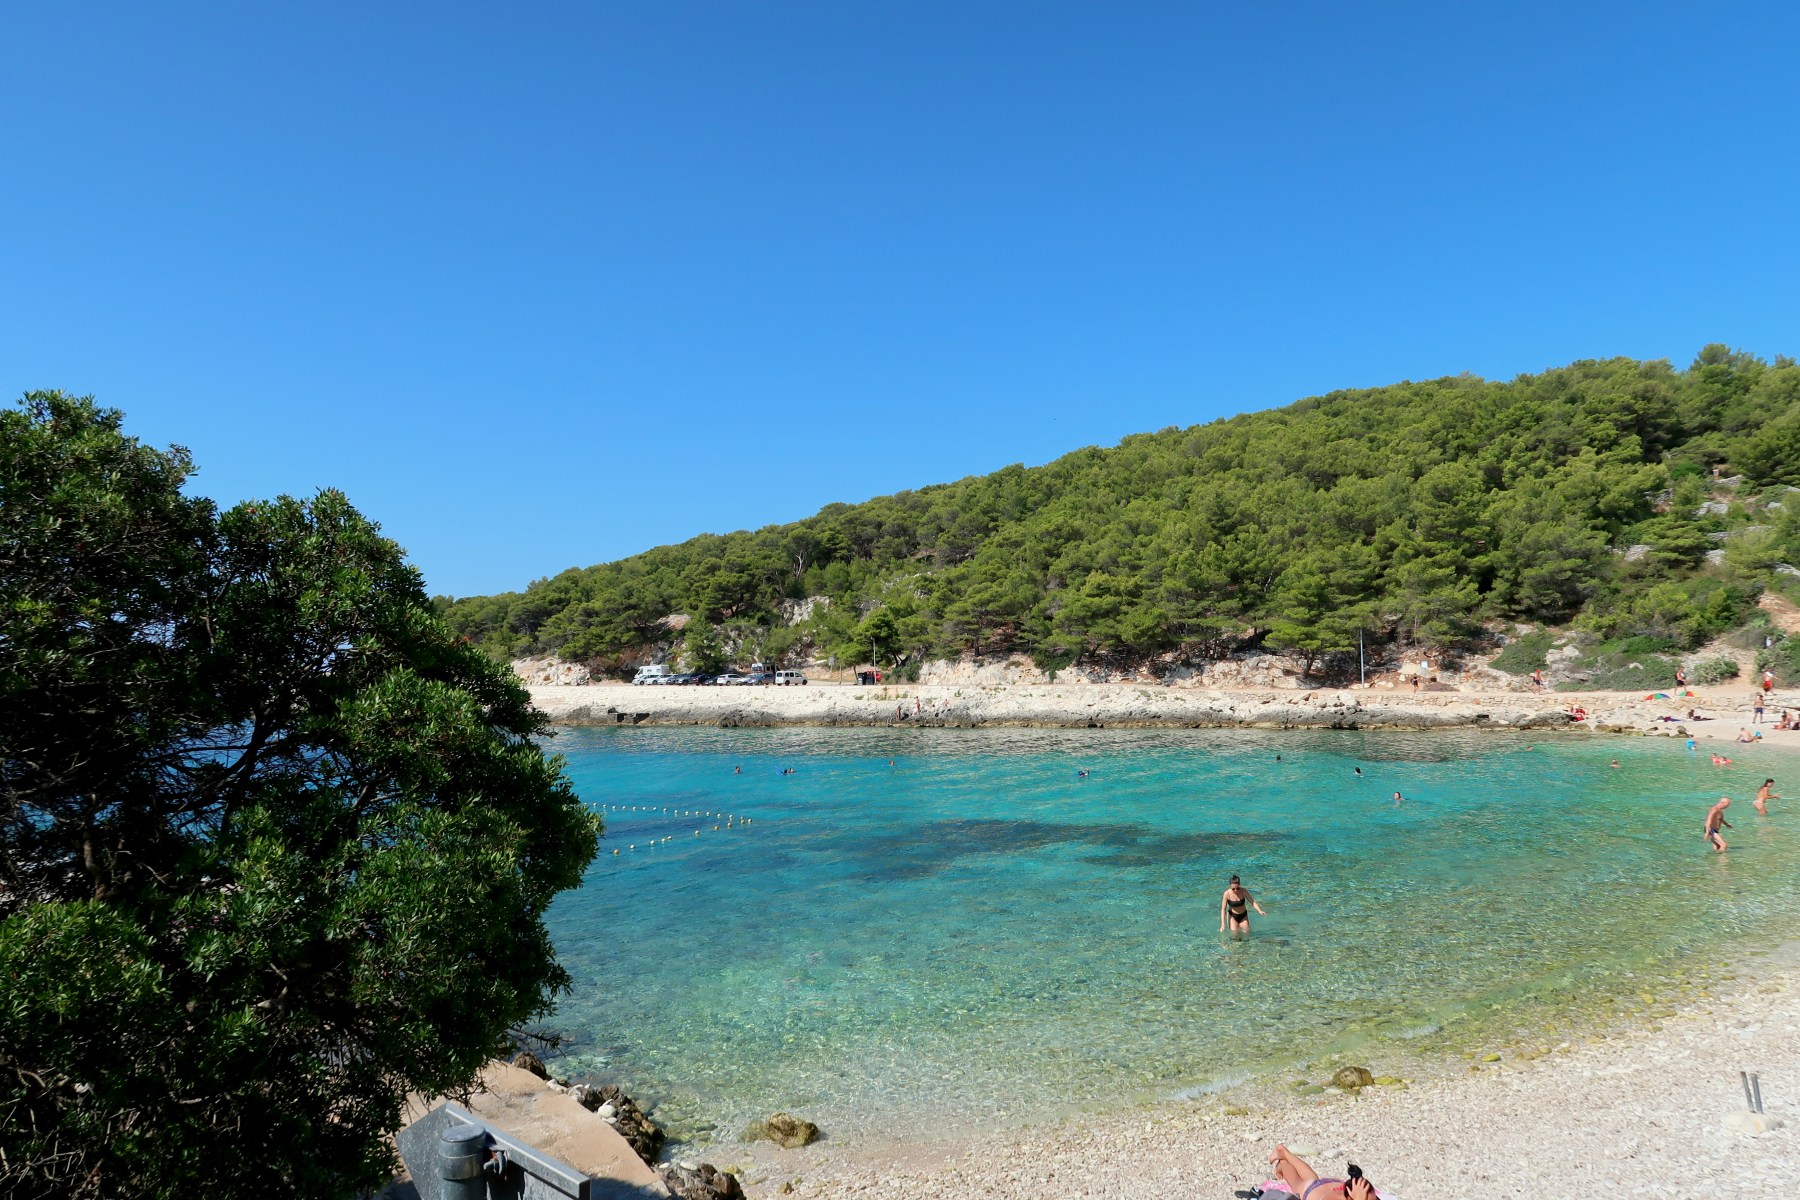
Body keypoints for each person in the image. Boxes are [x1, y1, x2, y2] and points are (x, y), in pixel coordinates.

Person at [1264, 1146, 1377, 1200]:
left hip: (1329, 1184)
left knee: (1312, 1178)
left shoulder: (1354, 1192)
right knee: (1295, 1182)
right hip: (1311, 1190)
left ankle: (1284, 1153)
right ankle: (1283, 1162)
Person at [1220, 874, 1267, 939]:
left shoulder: (1243, 891)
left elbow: (1252, 902)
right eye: (1233, 889)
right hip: (1233, 916)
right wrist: (1223, 924)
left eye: (1237, 888)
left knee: (1246, 934)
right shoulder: (1227, 893)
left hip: (1243, 915)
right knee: (1234, 936)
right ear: (1230, 885)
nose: (1236, 890)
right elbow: (1223, 909)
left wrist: (1259, 910)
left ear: (1239, 884)